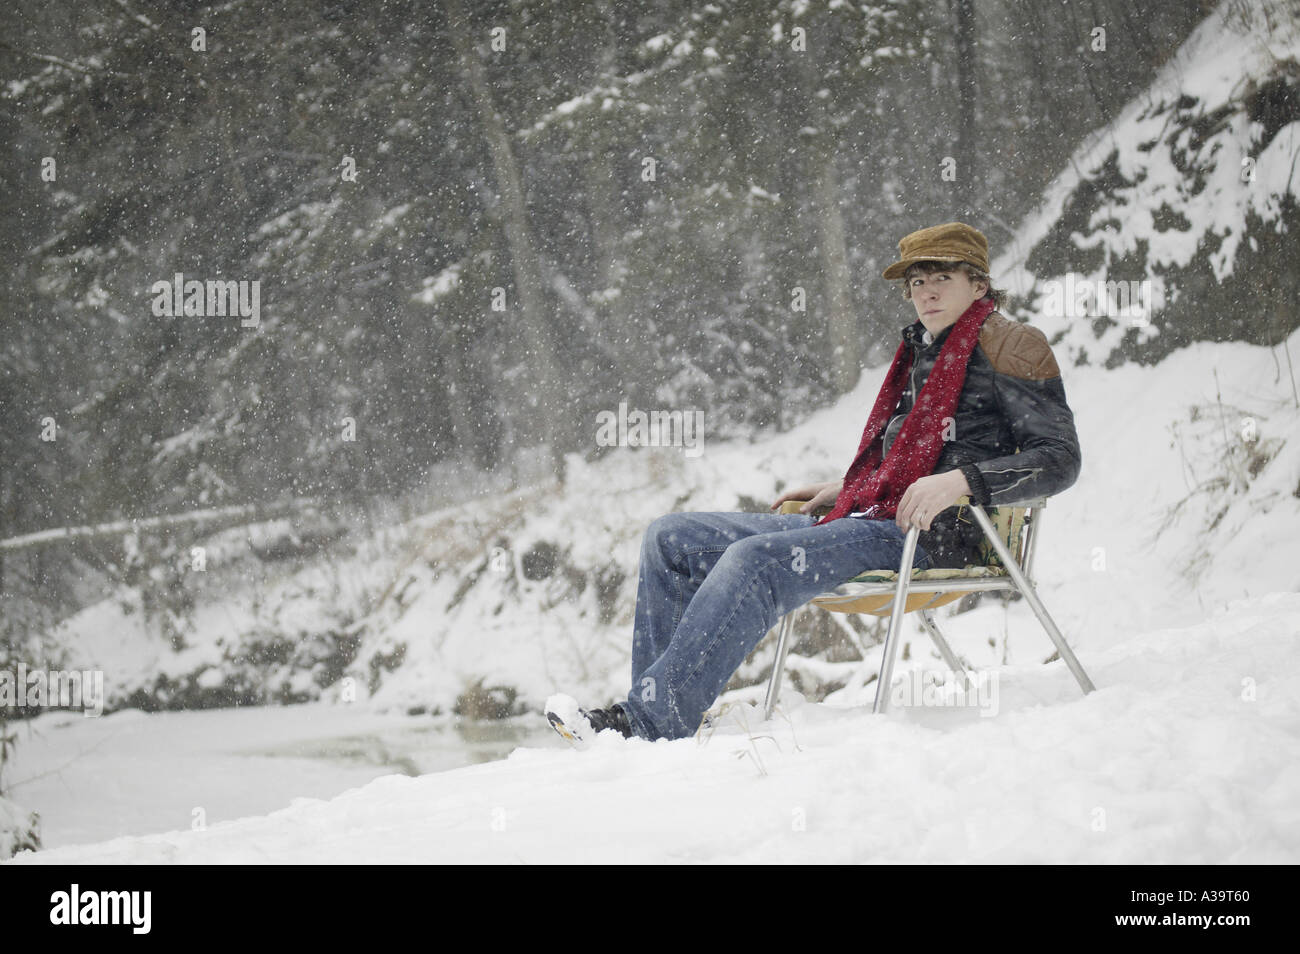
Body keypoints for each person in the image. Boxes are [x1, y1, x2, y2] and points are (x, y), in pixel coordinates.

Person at [546, 222, 1081, 744]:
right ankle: (656, 713)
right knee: (670, 538)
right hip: (876, 515)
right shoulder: (926, 351)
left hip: (936, 535)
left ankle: (648, 724)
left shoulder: (1014, 345)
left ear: (979, 284)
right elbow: (912, 454)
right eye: (917, 282)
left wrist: (960, 483)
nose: (926, 292)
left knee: (756, 559)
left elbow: (1060, 459)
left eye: (941, 276)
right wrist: (849, 487)